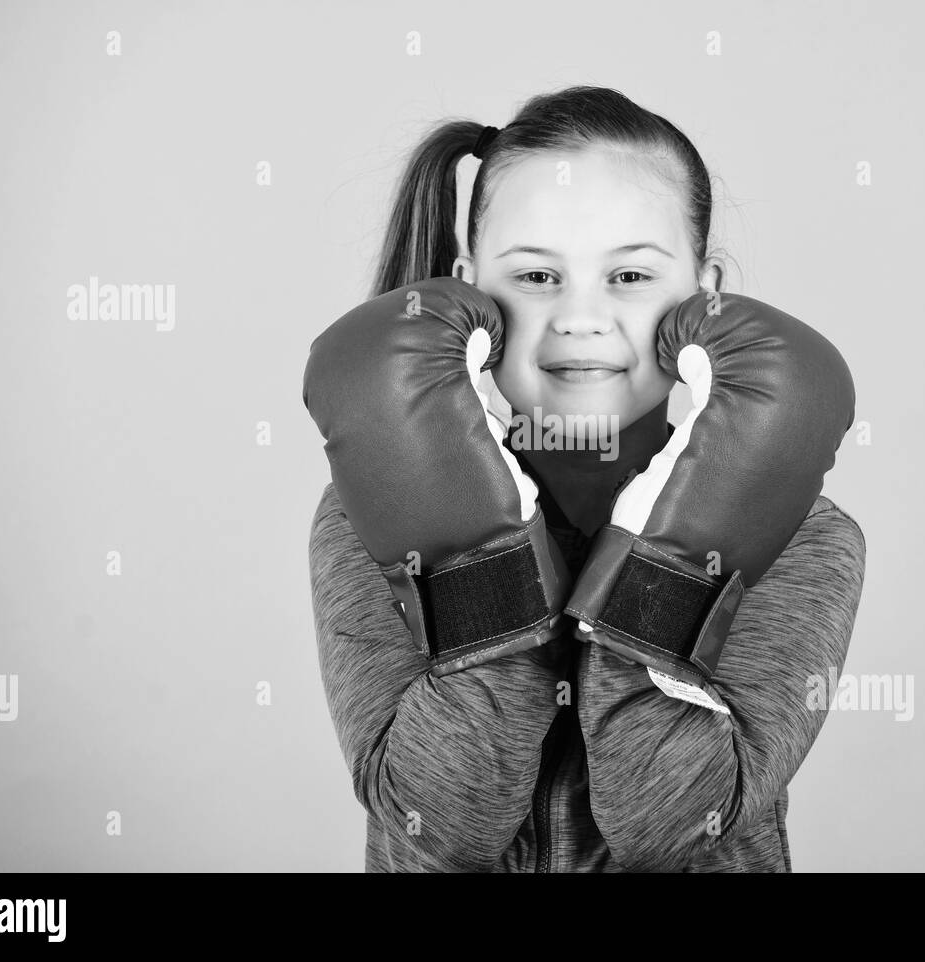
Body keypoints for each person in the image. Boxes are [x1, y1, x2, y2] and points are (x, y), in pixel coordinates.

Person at [304, 86, 867, 872]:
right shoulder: (365, 519)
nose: (581, 317)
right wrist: (477, 559)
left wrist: (668, 564)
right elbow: (441, 822)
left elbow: (669, 826)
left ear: (705, 294)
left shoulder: (804, 536)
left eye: (631, 277)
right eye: (536, 277)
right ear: (468, 288)